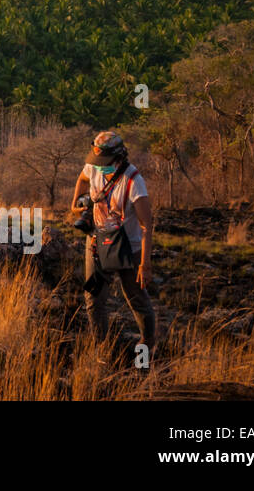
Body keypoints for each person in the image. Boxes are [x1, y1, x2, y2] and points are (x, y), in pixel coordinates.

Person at [69, 130, 156, 361]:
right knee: (93, 298)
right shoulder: (94, 167)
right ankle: (102, 351)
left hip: (128, 249)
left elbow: (146, 224)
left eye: (105, 163)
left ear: (118, 158)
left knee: (136, 299)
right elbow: (82, 179)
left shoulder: (133, 181)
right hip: (97, 245)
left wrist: (144, 264)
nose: (100, 167)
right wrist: (76, 203)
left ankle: (146, 351)